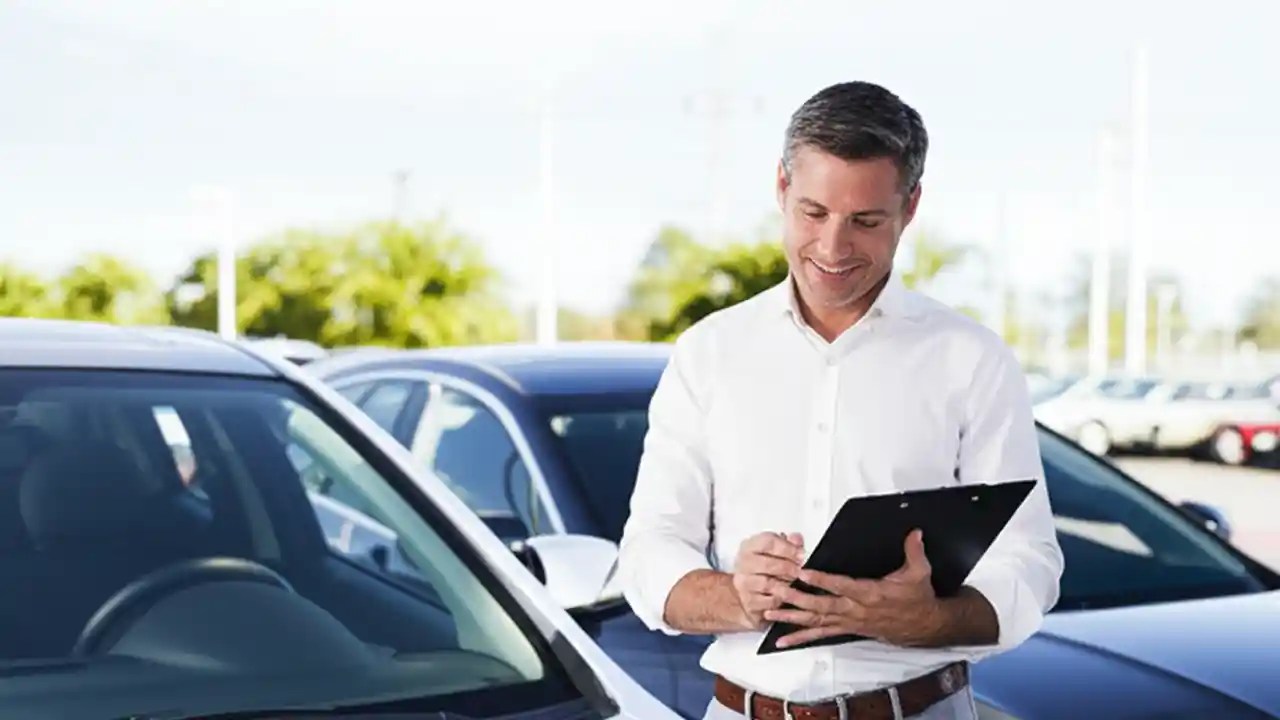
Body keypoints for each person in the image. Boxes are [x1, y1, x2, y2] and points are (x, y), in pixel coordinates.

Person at [617, 81, 1064, 720]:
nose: (831, 248)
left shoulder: (973, 360)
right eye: (813, 213)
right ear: (781, 188)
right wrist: (739, 597)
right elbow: (648, 553)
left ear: (910, 207)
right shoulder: (709, 353)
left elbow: (1031, 561)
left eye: (865, 221)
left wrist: (930, 620)